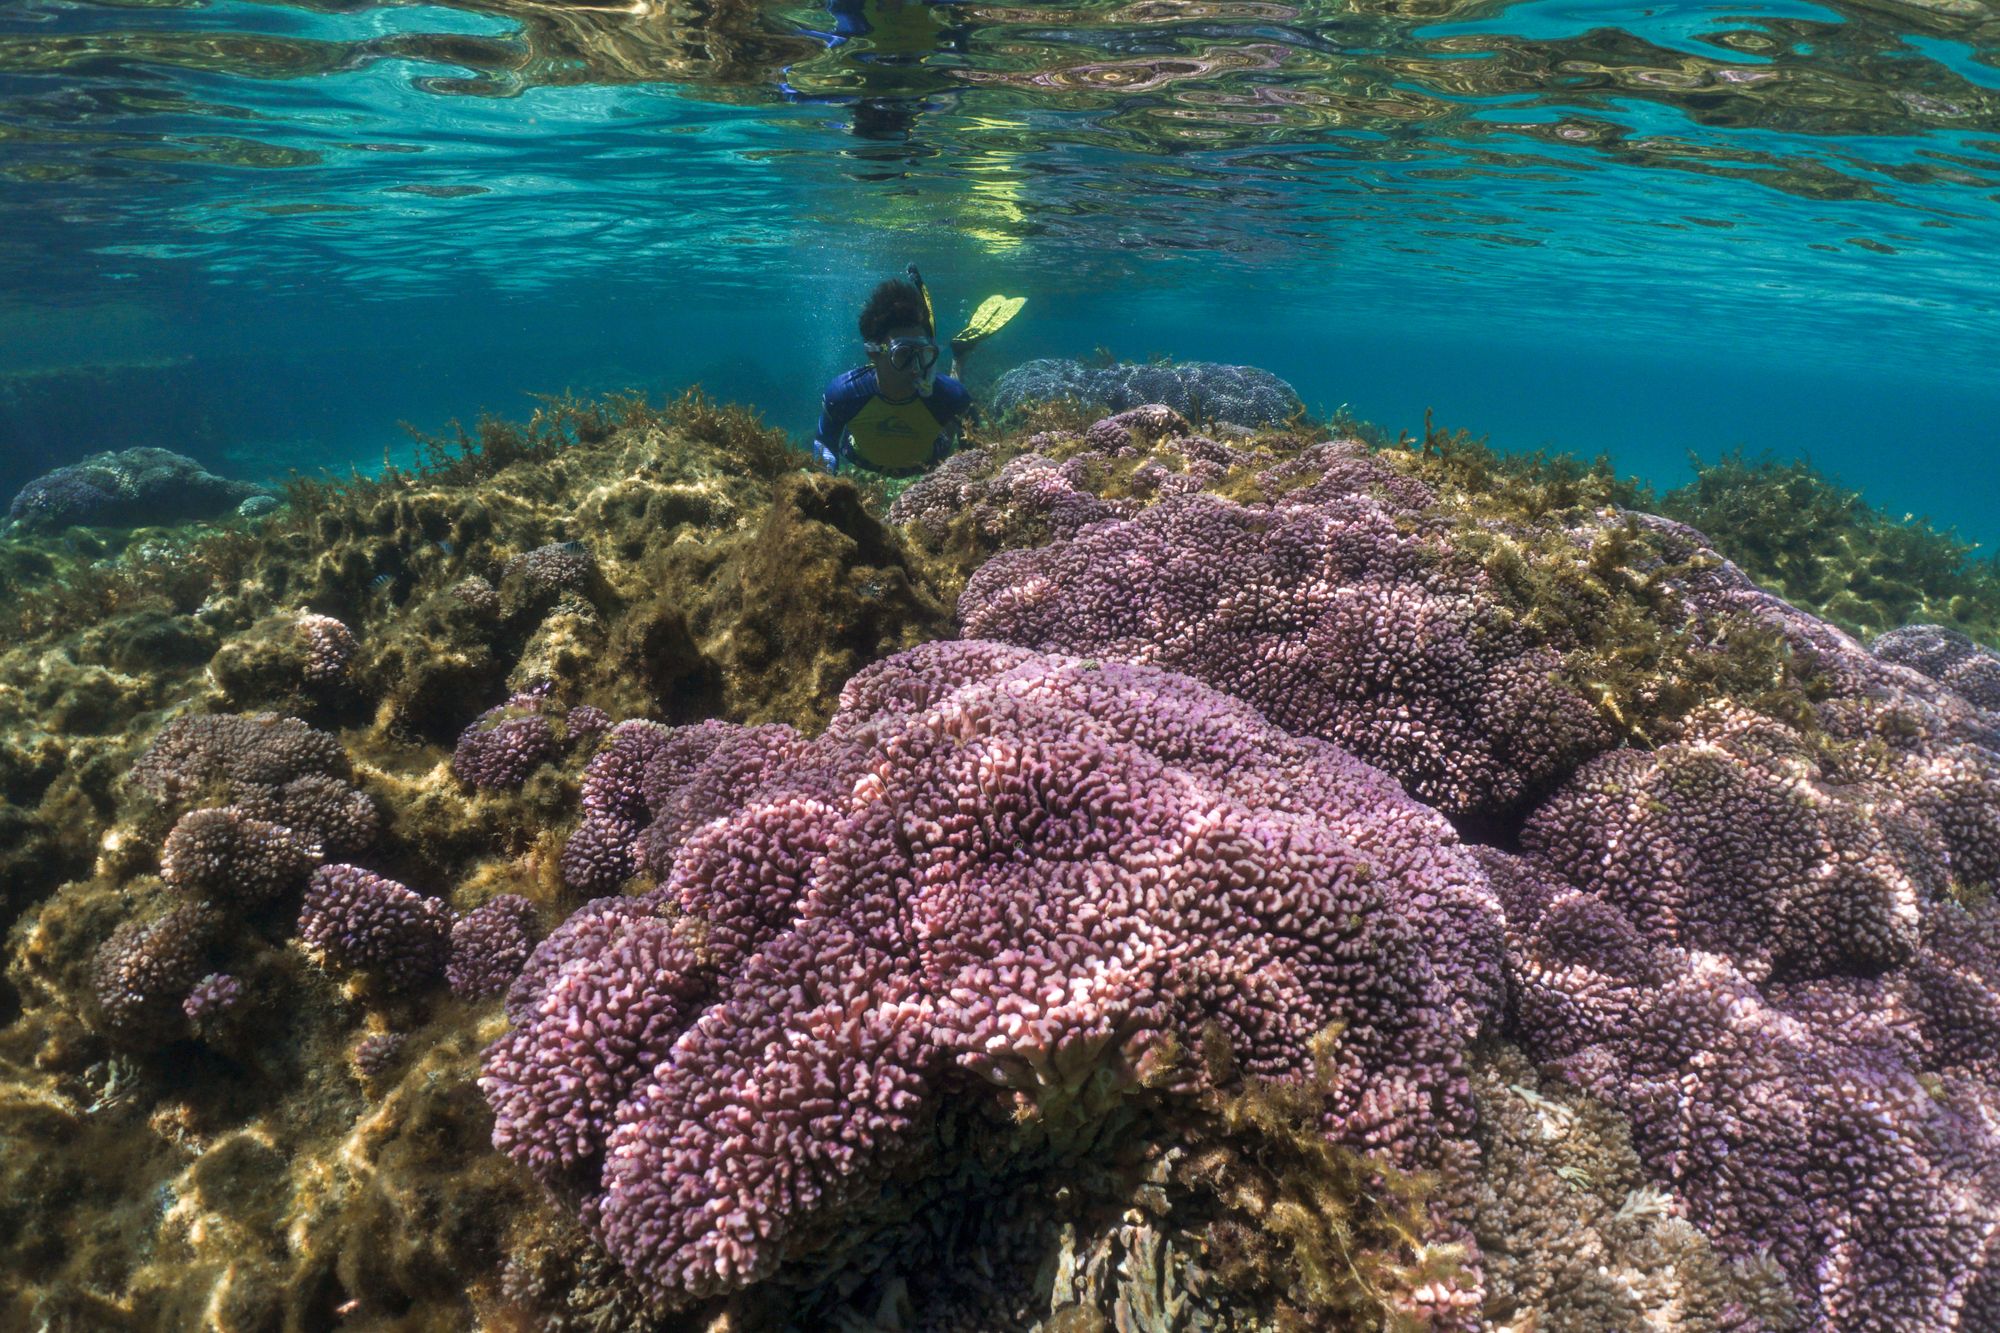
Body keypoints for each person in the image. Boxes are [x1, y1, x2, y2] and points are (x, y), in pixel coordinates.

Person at [810, 267, 1021, 478]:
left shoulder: (952, 395)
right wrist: (826, 481)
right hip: (860, 457)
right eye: (903, 354)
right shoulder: (844, 394)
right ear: (873, 353)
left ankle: (959, 357)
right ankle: (958, 355)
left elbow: (973, 448)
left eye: (924, 354)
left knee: (947, 408)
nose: (916, 368)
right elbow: (825, 441)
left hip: (930, 458)